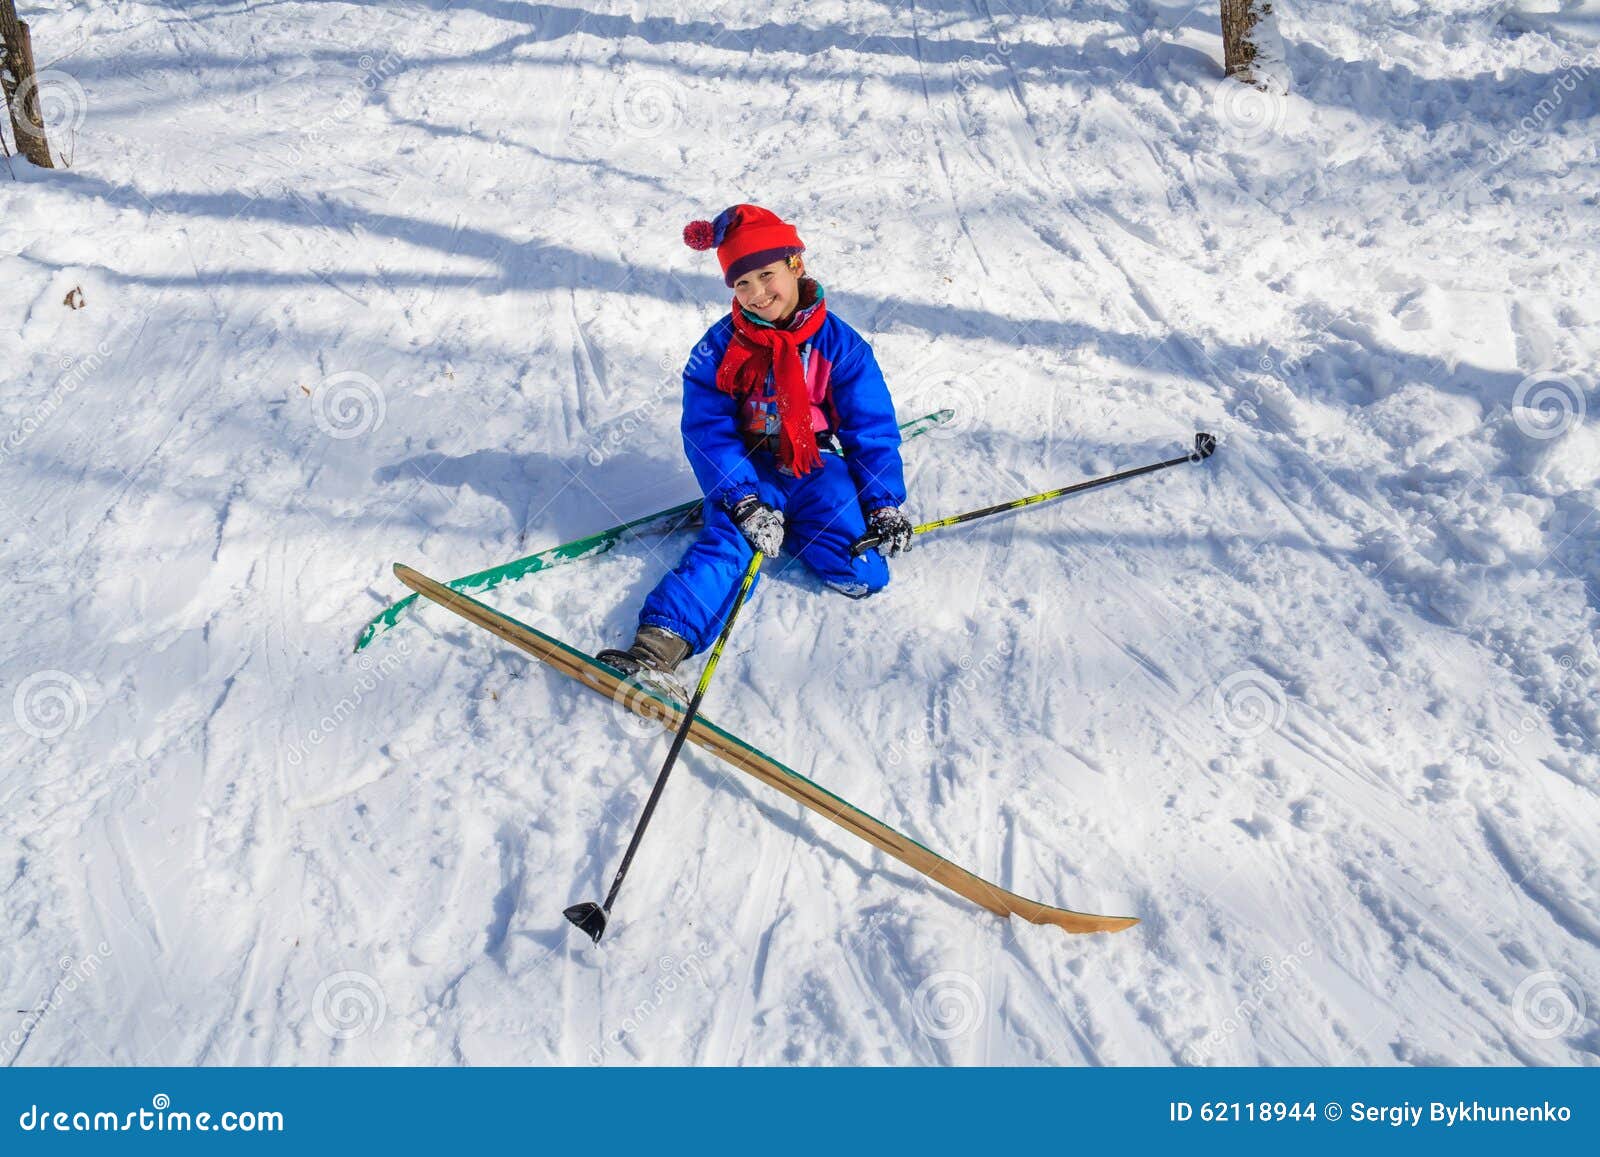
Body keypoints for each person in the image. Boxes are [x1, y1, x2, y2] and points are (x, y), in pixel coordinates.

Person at [598, 204, 915, 692]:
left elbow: (870, 429)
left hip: (815, 462)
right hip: (747, 469)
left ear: (796, 266)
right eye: (741, 284)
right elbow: (708, 431)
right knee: (729, 543)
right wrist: (742, 500)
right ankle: (659, 644)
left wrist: (884, 504)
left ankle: (802, 524)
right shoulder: (718, 347)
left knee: (865, 575)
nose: (757, 293)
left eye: (766, 275)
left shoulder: (841, 345)